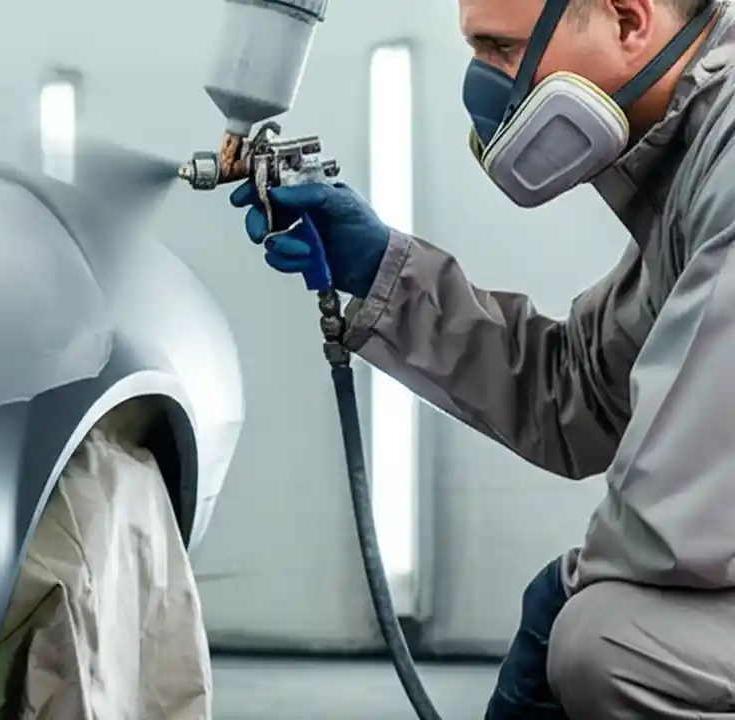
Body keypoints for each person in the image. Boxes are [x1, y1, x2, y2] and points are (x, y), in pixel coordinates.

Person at [231, 0, 735, 717]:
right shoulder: (692, 158)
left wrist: (565, 591)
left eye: (503, 48)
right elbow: (580, 394)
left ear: (629, 22)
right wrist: (382, 271)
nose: (484, 84)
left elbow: (690, 511)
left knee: (612, 644)